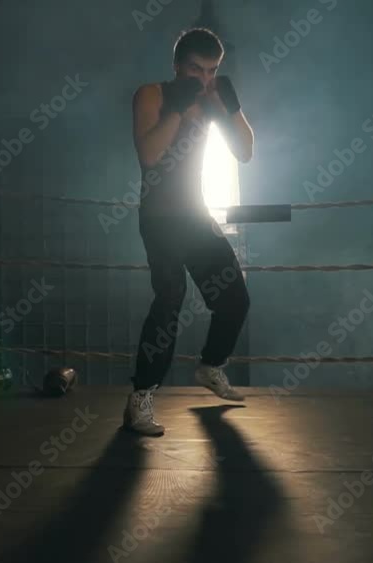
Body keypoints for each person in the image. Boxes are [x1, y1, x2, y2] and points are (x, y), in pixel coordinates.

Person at [124, 27, 254, 436]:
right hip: (160, 218)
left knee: (235, 298)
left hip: (195, 217)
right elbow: (149, 158)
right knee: (170, 299)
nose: (203, 79)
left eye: (212, 71)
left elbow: (245, 152)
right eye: (196, 69)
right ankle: (140, 399)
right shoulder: (152, 95)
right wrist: (177, 110)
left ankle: (211, 366)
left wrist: (231, 108)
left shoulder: (212, 100)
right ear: (177, 66)